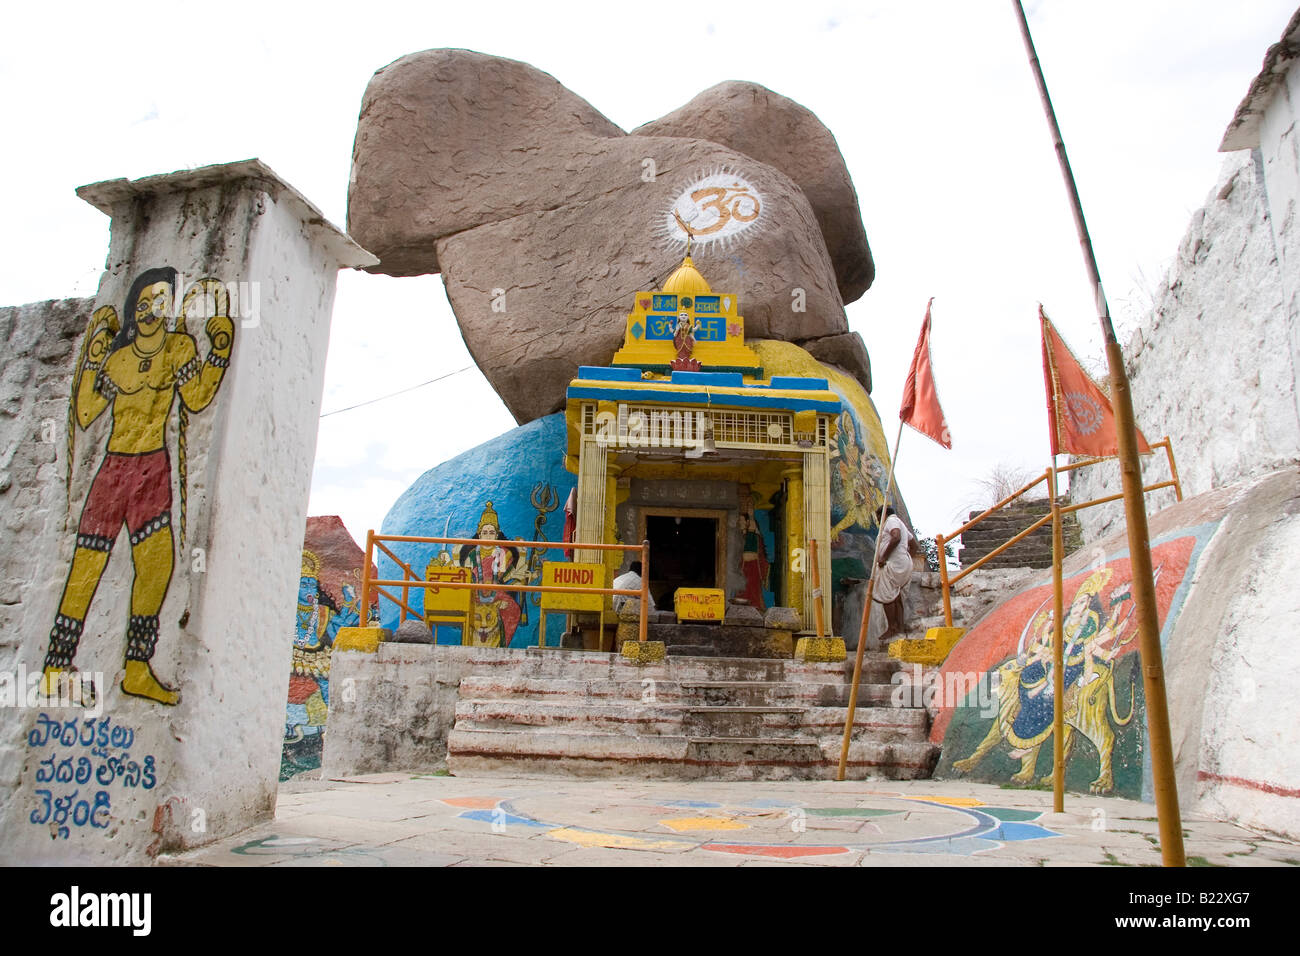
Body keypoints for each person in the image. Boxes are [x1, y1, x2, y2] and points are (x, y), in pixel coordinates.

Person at [40, 268, 234, 706]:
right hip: (112, 470)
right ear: (134, 309)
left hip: (153, 468)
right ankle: (55, 666)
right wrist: (91, 359)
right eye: (144, 303)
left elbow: (198, 398)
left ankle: (136, 667)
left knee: (157, 566)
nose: (151, 311)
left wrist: (218, 352)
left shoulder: (179, 348)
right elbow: (88, 413)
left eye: (161, 303)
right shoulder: (118, 359)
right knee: (86, 567)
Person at [872, 505, 914, 642]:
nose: (878, 521)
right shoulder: (901, 523)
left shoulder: (891, 521)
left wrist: (884, 557)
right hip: (902, 563)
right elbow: (914, 545)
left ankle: (892, 627)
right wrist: (906, 558)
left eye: (878, 518)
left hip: (892, 564)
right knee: (897, 596)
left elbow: (896, 537)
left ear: (883, 515)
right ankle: (899, 628)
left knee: (886, 594)